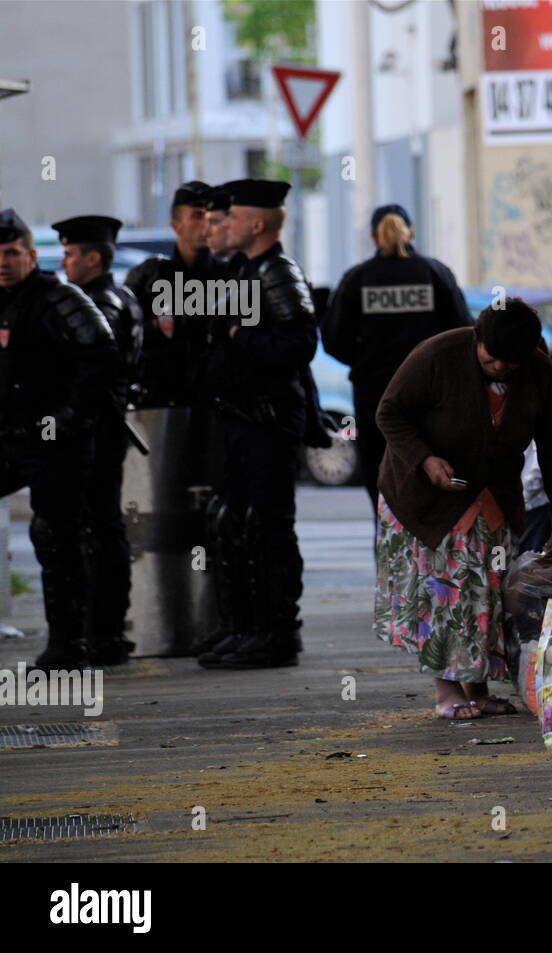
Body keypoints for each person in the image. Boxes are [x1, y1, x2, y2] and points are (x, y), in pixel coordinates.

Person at [374, 298, 552, 720]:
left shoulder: (538, 372)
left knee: (485, 593)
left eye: (511, 362)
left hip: (491, 496)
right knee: (442, 593)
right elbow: (389, 412)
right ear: (477, 340)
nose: (501, 367)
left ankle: (478, 689)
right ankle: (447, 692)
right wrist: (425, 459)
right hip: (423, 499)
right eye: (492, 358)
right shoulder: (437, 354)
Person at [195, 179, 318, 670]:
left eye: (232, 216)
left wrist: (241, 338)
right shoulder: (247, 271)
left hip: (268, 421)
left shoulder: (278, 272)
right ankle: (245, 628)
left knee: (267, 528)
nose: (223, 224)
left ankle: (275, 634)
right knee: (236, 525)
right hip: (242, 418)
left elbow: (300, 344)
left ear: (258, 224)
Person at [0, 209, 118, 671]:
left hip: (53, 441)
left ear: (30, 254)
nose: (4, 262)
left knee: (56, 537)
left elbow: (102, 353)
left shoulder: (58, 297)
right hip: (10, 438)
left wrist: (67, 417)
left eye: (11, 253)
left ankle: (69, 644)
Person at [324, 204, 473, 511]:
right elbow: (463, 332)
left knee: (381, 481)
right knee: (431, 478)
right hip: (432, 396)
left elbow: (334, 339)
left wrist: (366, 362)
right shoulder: (435, 273)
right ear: (411, 232)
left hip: (375, 396)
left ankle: (387, 549)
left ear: (373, 237)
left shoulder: (357, 279)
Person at [52, 215, 145, 666]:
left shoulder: (103, 303)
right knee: (99, 525)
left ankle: (103, 630)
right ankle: (102, 629)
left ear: (93, 256)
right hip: (100, 426)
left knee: (97, 526)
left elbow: (92, 366)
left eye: (71, 253)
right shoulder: (113, 296)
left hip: (96, 429)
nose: (65, 262)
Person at [126, 181, 230, 407]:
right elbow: (123, 338)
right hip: (159, 404)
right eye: (197, 216)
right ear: (176, 225)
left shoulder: (229, 278)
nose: (206, 225)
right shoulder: (149, 278)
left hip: (215, 406)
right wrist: (157, 328)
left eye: (211, 217)